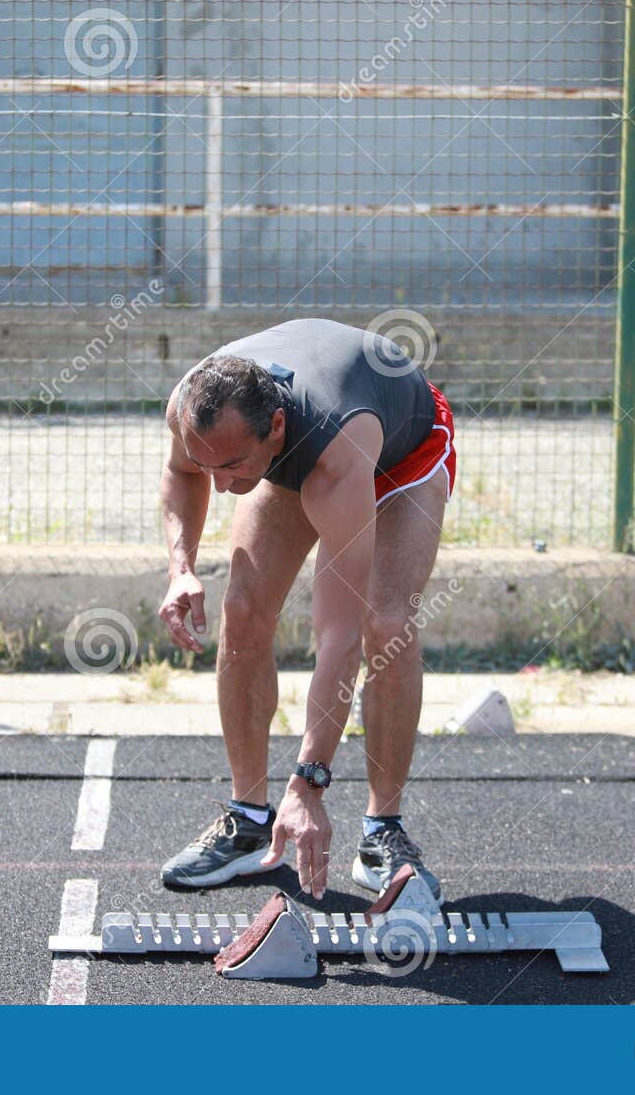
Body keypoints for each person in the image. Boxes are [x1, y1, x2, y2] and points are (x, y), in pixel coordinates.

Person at [154, 317, 456, 903]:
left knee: (384, 625)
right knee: (241, 609)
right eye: (210, 465)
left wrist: (309, 782)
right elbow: (180, 471)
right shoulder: (196, 408)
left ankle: (382, 832)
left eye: (231, 468)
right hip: (296, 444)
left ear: (275, 427)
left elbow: (337, 639)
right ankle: (247, 818)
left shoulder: (334, 456)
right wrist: (181, 568)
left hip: (402, 451)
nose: (218, 488)